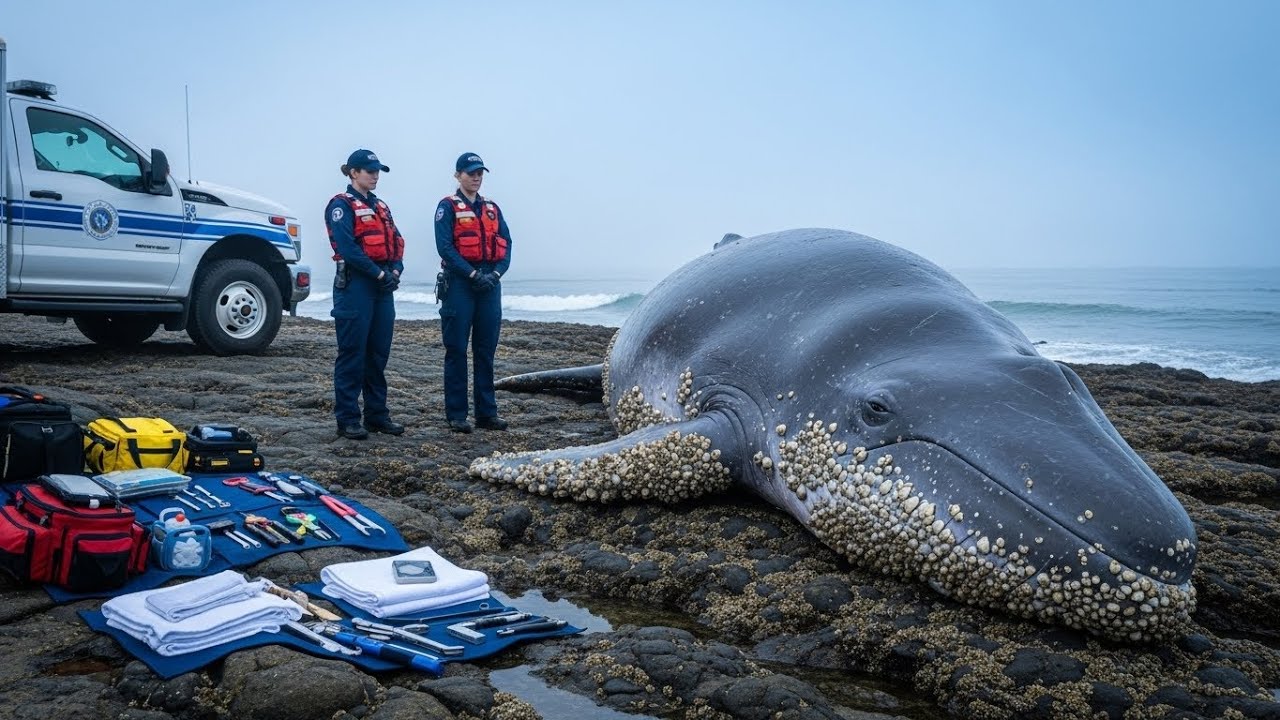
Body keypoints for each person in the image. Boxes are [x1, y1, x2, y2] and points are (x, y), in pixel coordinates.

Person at [325, 149, 406, 440]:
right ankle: (347, 418)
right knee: (352, 353)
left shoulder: (381, 206)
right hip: (356, 286)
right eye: (369, 170)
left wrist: (395, 270)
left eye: (377, 171)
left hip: (382, 287)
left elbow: (396, 241)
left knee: (378, 354)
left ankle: (376, 415)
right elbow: (348, 248)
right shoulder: (340, 205)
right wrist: (380, 274)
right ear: (353, 173)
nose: (374, 175)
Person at [435, 152, 512, 433]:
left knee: (485, 351)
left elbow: (507, 244)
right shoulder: (447, 207)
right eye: (470, 173)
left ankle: (486, 413)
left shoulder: (492, 208)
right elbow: (445, 248)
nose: (476, 177)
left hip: (489, 286)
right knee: (456, 350)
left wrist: (495, 274)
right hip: (459, 285)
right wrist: (471, 274)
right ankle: (456, 414)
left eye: (480, 173)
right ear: (458, 175)